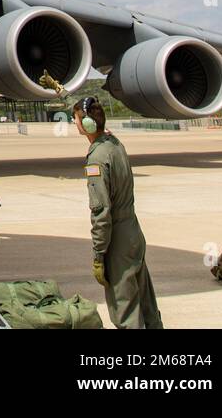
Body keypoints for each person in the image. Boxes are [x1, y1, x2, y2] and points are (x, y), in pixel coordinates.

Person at [75, 97, 163, 328]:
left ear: (86, 125)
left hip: (117, 239)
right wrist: (62, 92)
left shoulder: (96, 159)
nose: (75, 124)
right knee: (146, 303)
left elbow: (101, 211)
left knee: (124, 308)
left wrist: (99, 252)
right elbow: (91, 120)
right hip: (134, 231)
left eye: (76, 119)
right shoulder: (114, 144)